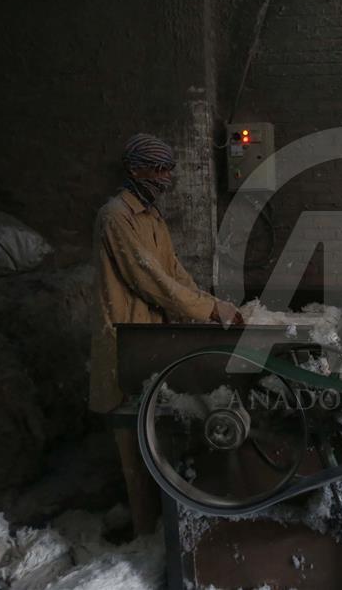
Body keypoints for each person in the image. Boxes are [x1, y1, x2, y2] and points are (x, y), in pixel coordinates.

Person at [89, 133, 242, 535]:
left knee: (153, 436)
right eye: (156, 170)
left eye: (168, 171)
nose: (164, 179)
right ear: (133, 169)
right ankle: (143, 531)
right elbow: (149, 279)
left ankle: (163, 523)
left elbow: (175, 274)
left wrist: (212, 306)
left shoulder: (153, 218)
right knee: (131, 444)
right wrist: (208, 310)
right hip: (125, 335)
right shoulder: (116, 217)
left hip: (151, 340)